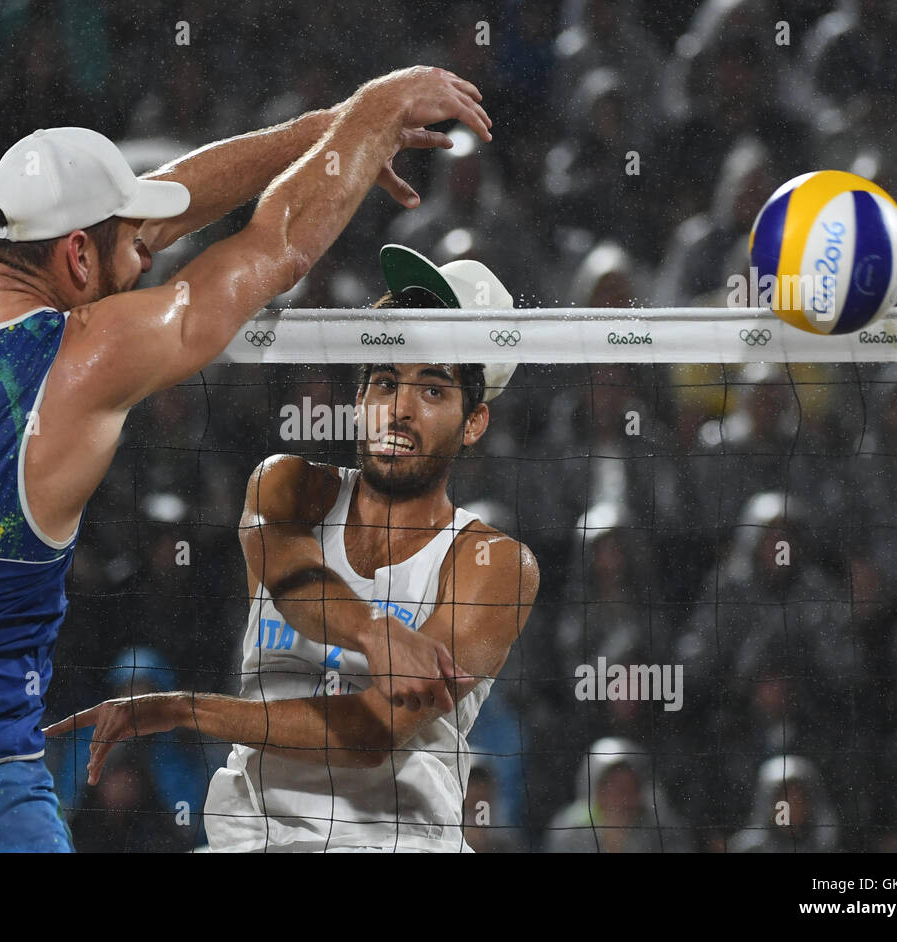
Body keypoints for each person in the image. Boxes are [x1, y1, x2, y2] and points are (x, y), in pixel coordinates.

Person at [0, 66, 494, 852]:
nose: (147, 257)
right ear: (78, 256)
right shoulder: (79, 363)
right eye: (128, 244)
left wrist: (323, 134)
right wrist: (376, 107)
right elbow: (280, 245)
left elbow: (140, 218)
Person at [48, 246, 540, 852]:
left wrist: (185, 710)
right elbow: (295, 585)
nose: (399, 410)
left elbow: (373, 732)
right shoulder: (287, 485)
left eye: (433, 391)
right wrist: (374, 632)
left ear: (474, 422)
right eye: (386, 381)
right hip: (253, 838)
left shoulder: (494, 565)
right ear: (359, 398)